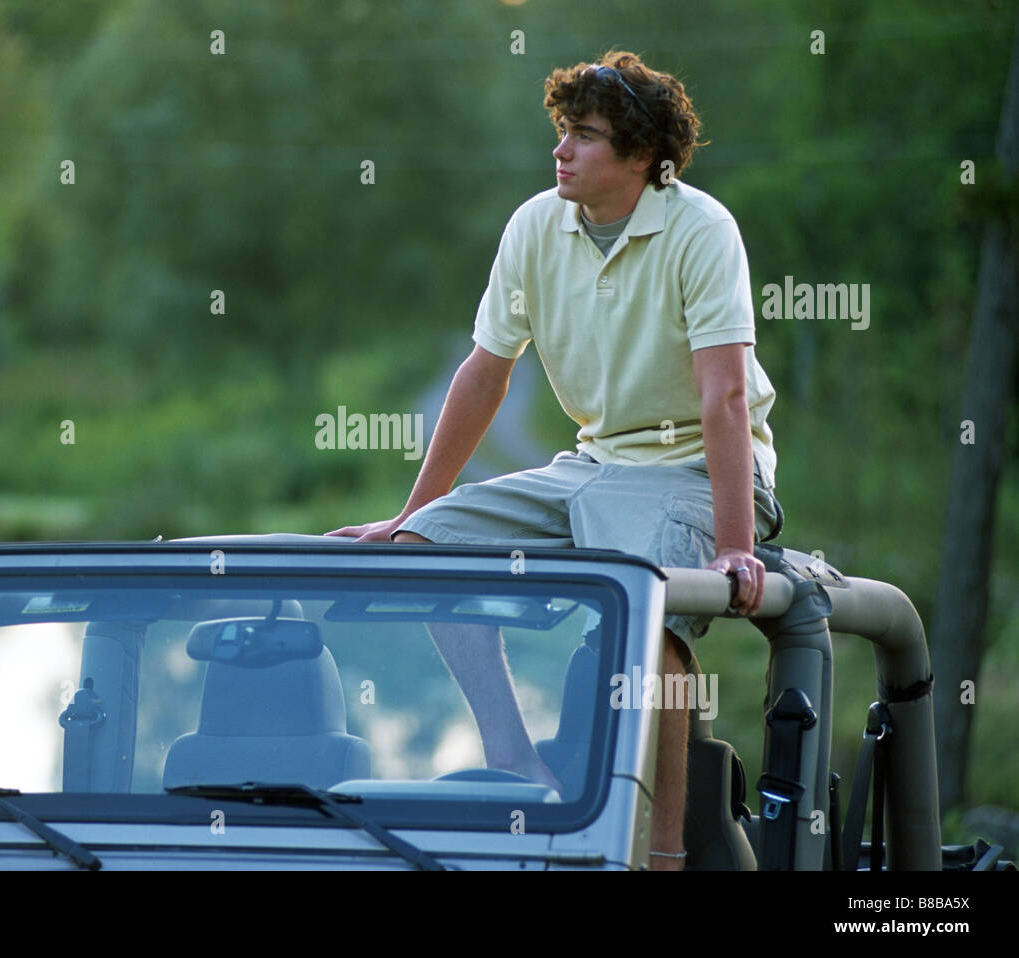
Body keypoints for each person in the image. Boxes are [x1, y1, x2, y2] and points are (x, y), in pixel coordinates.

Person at [327, 50, 783, 871]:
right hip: (592, 461)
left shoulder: (702, 228)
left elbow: (724, 398)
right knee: (423, 553)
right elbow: (484, 374)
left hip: (692, 467)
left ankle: (664, 851)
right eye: (562, 131)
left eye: (584, 135)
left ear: (643, 156)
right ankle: (514, 758)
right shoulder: (536, 223)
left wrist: (735, 547)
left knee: (649, 608)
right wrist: (409, 514)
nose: (561, 150)